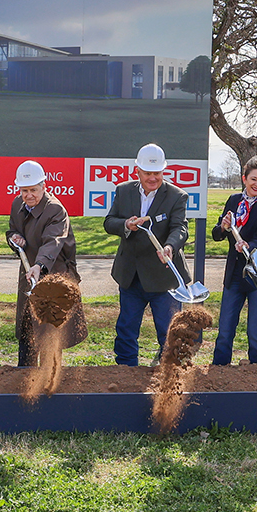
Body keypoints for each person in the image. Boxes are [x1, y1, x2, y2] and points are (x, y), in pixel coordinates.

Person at [103, 143, 190, 366]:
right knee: (126, 329)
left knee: (169, 332)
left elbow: (180, 228)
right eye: (148, 173)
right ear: (137, 171)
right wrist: (126, 224)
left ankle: (170, 376)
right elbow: (109, 222)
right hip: (131, 277)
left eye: (157, 173)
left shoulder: (177, 196)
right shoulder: (123, 191)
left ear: (164, 171)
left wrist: (170, 247)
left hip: (164, 279)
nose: (153, 178)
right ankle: (125, 373)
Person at [7, 159, 87, 368]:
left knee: (50, 329)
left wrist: (40, 265)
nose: (29, 195)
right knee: (27, 329)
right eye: (24, 190)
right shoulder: (17, 204)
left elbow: (53, 242)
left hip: (54, 277)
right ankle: (25, 374)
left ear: (44, 186)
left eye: (34, 189)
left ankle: (49, 377)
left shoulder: (55, 210)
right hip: (29, 275)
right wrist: (14, 238)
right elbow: (12, 229)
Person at [210, 156, 257, 365]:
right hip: (235, 275)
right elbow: (217, 234)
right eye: (253, 179)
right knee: (225, 328)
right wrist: (223, 226)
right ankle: (219, 371)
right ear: (244, 179)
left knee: (255, 330)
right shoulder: (233, 201)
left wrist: (247, 245)